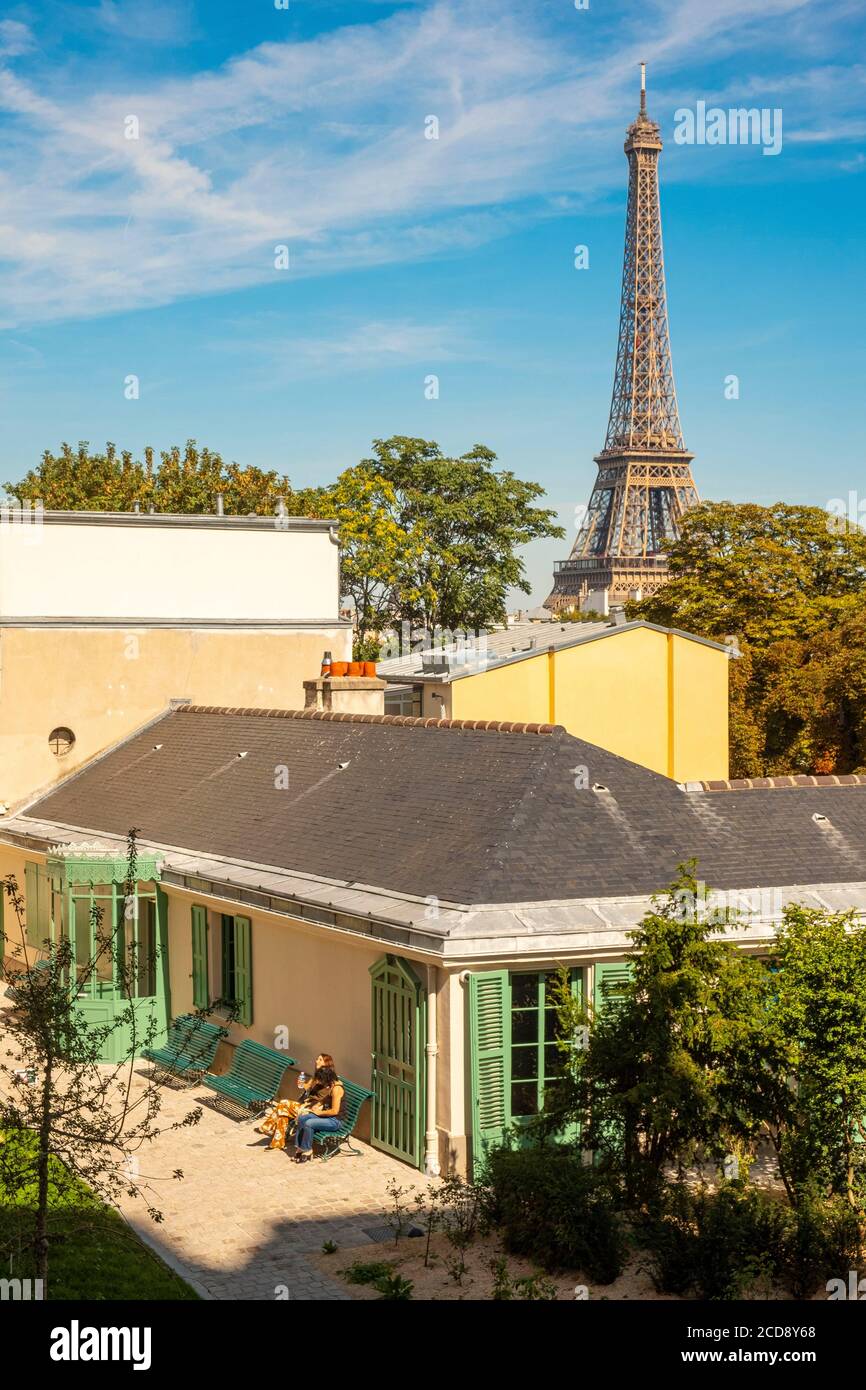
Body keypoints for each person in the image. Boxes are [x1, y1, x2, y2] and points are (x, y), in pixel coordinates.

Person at [255, 1054, 334, 1151]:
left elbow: (326, 1097)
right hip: (305, 1104)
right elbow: (307, 1087)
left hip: (312, 1109)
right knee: (282, 1113)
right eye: (317, 1059)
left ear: (326, 1063)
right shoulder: (316, 1076)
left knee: (283, 1103)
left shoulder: (329, 1080)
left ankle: (267, 1126)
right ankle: (277, 1143)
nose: (316, 1061)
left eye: (320, 1060)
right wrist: (301, 1084)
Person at [292, 1061, 345, 1163]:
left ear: (326, 1078)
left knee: (309, 1123)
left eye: (320, 1079)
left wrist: (318, 1113)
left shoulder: (336, 1089)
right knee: (302, 1118)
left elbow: (335, 1111)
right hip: (326, 1117)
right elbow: (325, 1100)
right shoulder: (330, 1086)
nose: (319, 1082)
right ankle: (300, 1148)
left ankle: (307, 1150)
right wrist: (317, 1106)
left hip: (335, 1121)